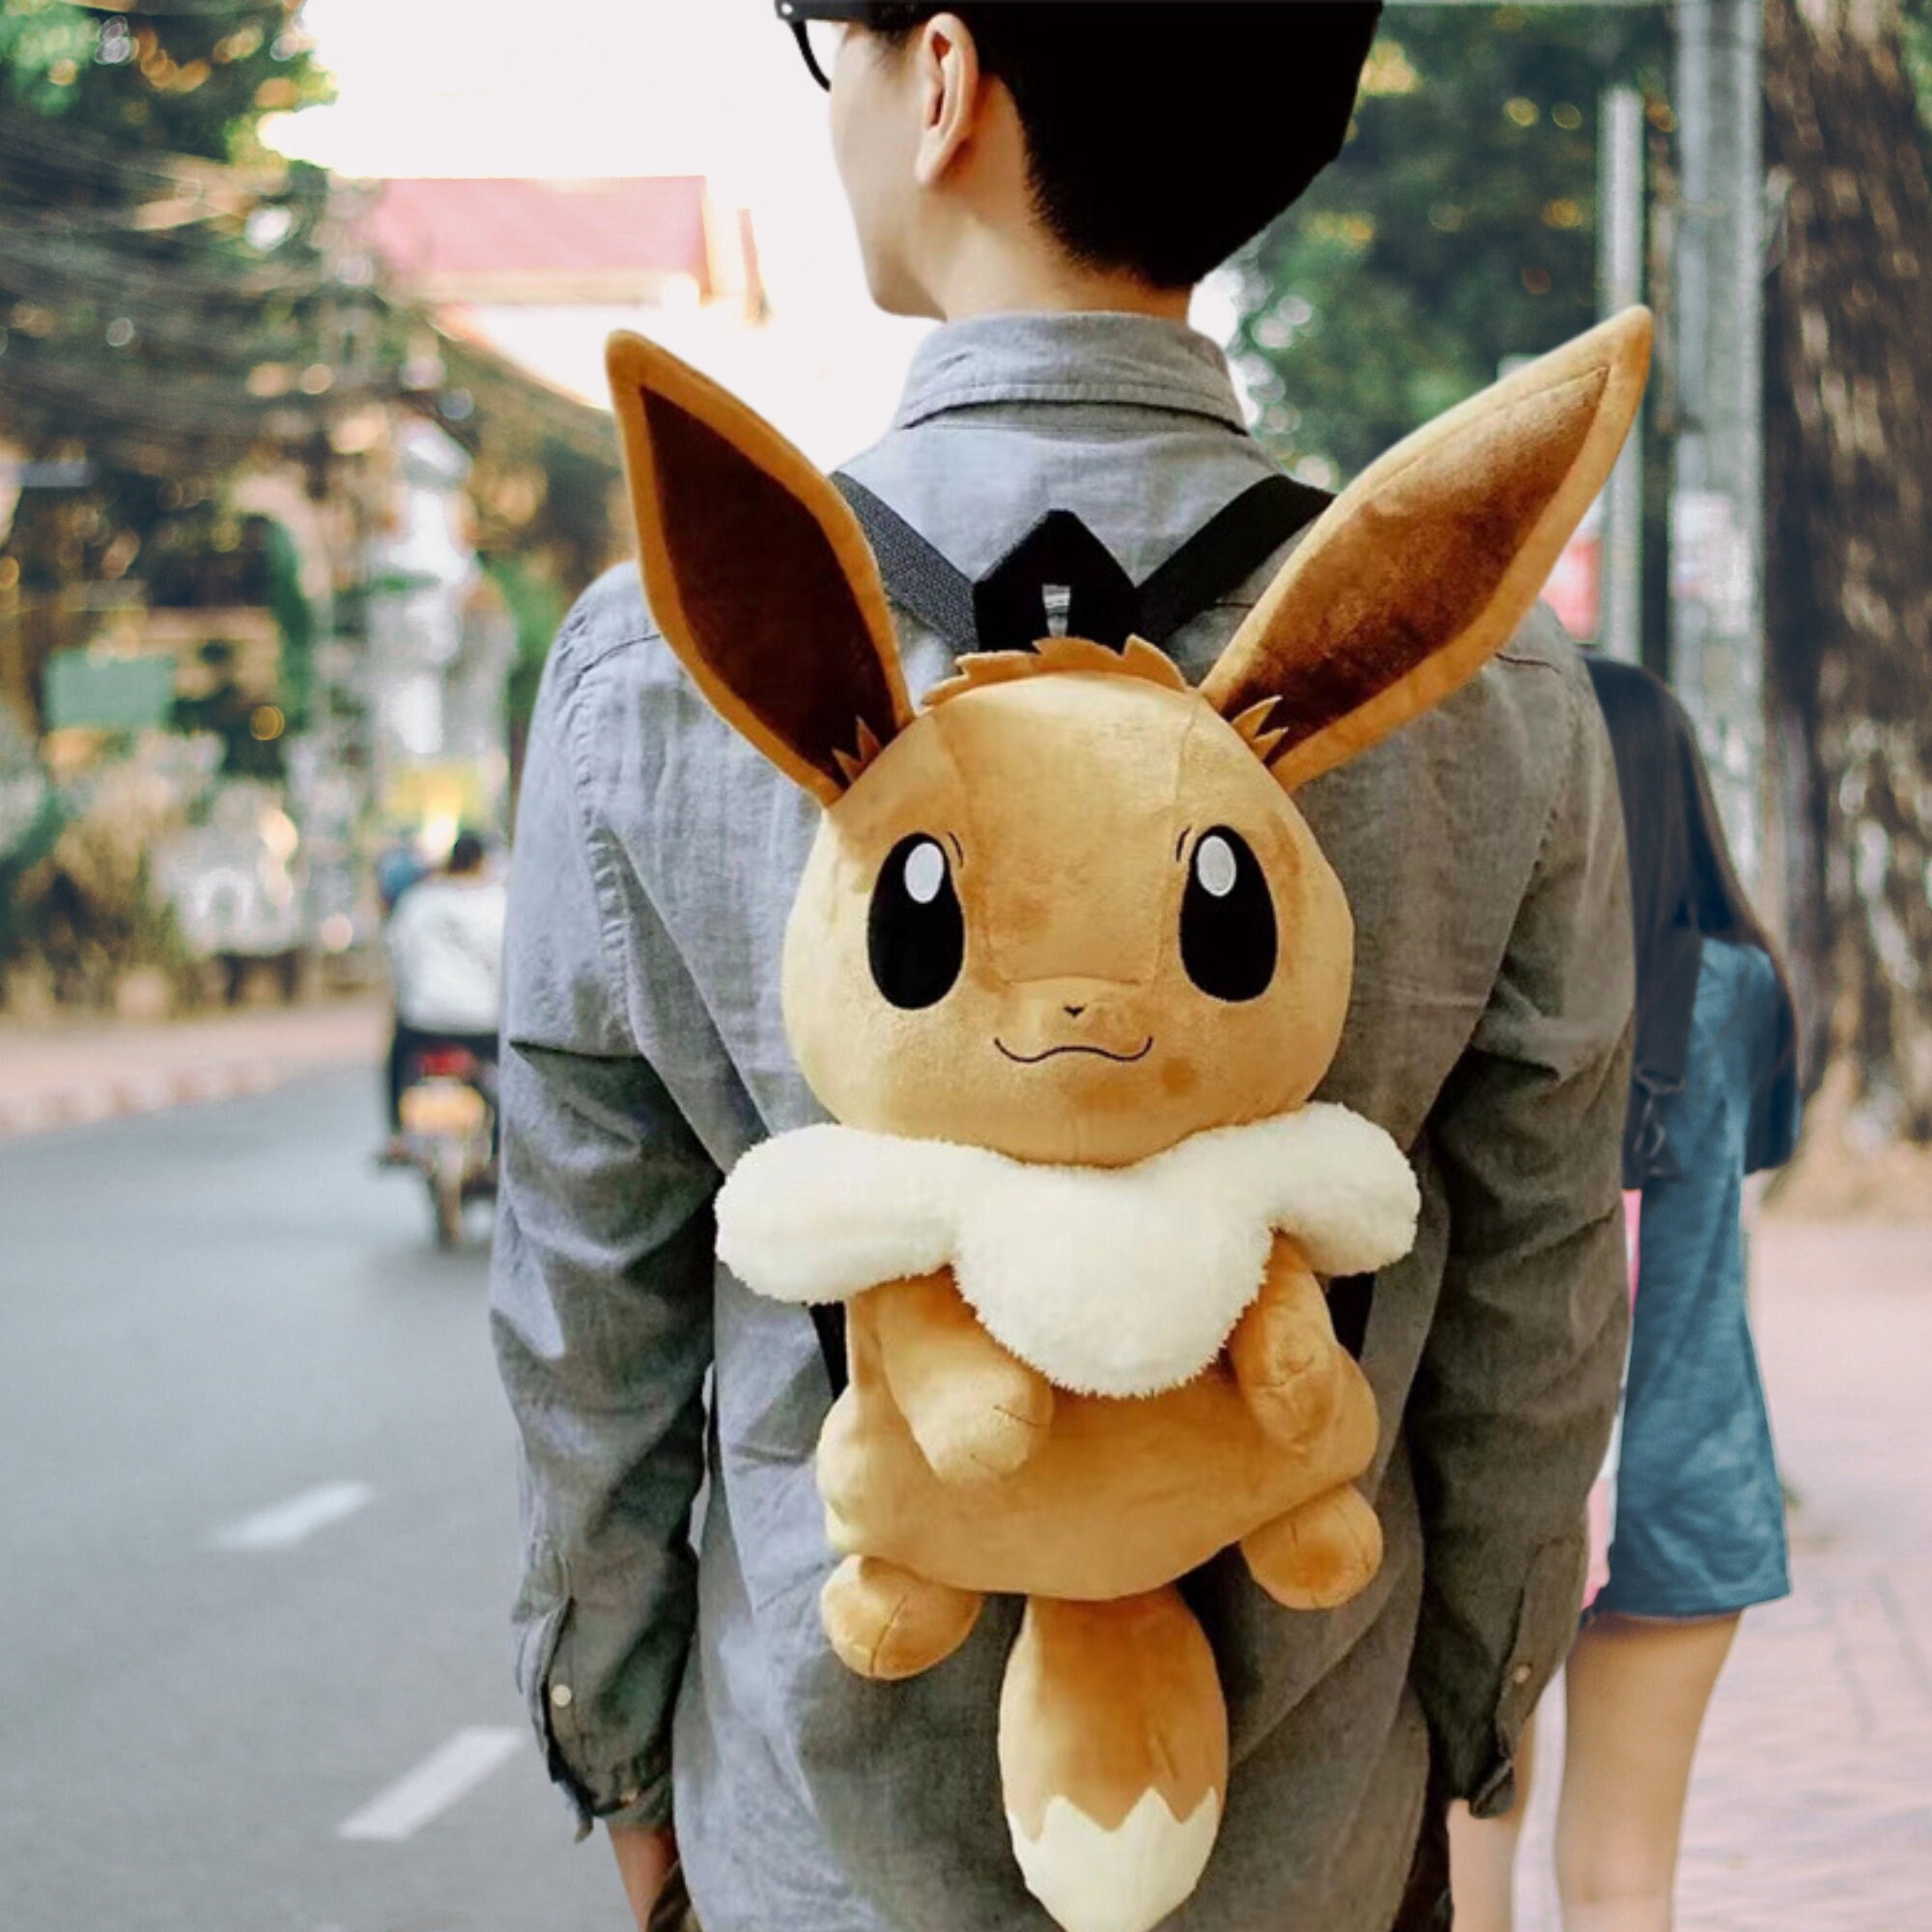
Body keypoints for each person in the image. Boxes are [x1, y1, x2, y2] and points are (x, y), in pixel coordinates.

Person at [489, 10, 1634, 1931]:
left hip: (814, 1839)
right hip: (1315, 1838)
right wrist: (1470, 1728)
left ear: (941, 75)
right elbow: (1531, 1300)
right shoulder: (1496, 689)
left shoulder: (654, 660)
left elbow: (591, 1318)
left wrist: (616, 1749)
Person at [1447, 657, 1801, 1932]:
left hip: (1511, 1475)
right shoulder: (1742, 994)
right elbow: (1754, 1163)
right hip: (1689, 1477)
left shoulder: (1485, 991)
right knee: (1626, 1883)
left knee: (1464, 1870)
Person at [382, 829, 507, 1154]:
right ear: (481, 862)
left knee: (395, 1060)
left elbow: (398, 954)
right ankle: (502, 1151)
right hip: (484, 1023)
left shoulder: (419, 901)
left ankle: (396, 1133)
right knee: (513, 1079)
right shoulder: (500, 904)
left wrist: (403, 998)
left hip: (423, 1020)